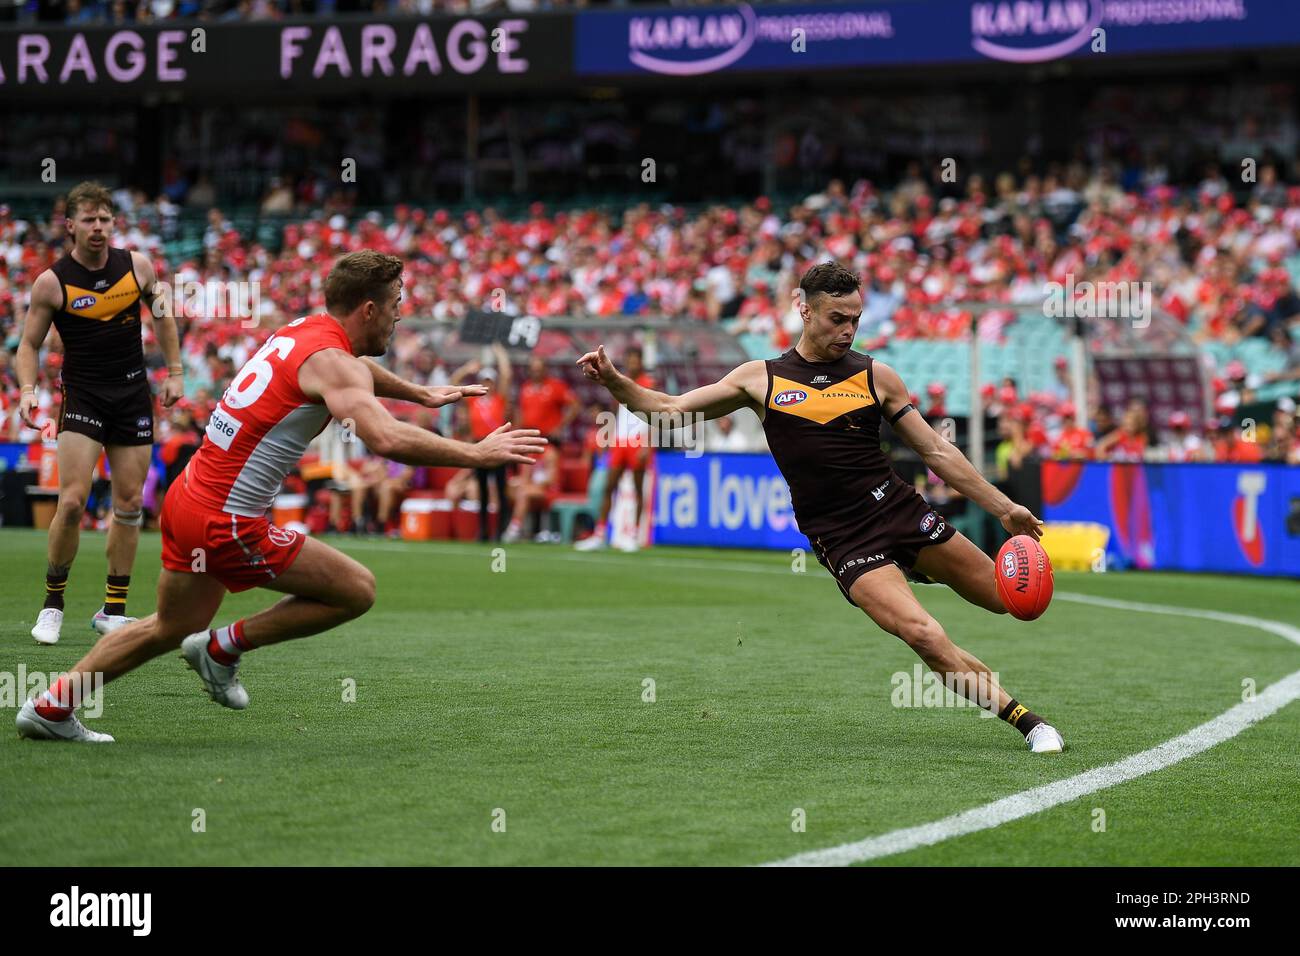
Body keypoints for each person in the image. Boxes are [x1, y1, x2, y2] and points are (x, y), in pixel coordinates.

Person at [17, 250, 546, 743]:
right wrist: (477, 454)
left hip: (188, 499)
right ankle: (223, 647)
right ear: (368, 308)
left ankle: (51, 705)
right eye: (396, 305)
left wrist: (418, 392)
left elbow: (355, 371)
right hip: (225, 519)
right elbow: (385, 438)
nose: (400, 316)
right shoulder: (336, 362)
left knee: (169, 626)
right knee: (356, 590)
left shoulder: (304, 332)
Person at [577, 261, 1064, 752]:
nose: (848, 330)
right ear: (804, 311)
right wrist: (616, 382)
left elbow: (936, 451)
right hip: (845, 537)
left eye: (855, 318)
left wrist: (1004, 508)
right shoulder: (759, 380)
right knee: (924, 634)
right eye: (837, 319)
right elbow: (670, 410)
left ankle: (918, 567)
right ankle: (1029, 723)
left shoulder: (878, 376)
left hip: (898, 509)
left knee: (1011, 601)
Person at [17, 181, 184, 645]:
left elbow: (164, 316)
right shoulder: (52, 282)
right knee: (72, 501)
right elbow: (28, 345)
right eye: (88, 219)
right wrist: (28, 390)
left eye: (105, 219)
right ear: (70, 225)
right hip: (84, 396)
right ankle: (52, 603)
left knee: (130, 505)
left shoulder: (139, 267)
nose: (97, 227)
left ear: (114, 222)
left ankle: (112, 610)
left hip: (132, 395)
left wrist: (175, 371)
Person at [575, 345, 655, 553]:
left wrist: (648, 443)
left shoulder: (649, 383)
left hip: (638, 439)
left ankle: (634, 535)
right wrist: (609, 436)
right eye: (629, 359)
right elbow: (614, 411)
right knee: (609, 487)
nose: (632, 363)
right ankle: (600, 534)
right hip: (620, 440)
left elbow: (656, 415)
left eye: (635, 359)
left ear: (641, 361)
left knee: (638, 489)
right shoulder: (619, 380)